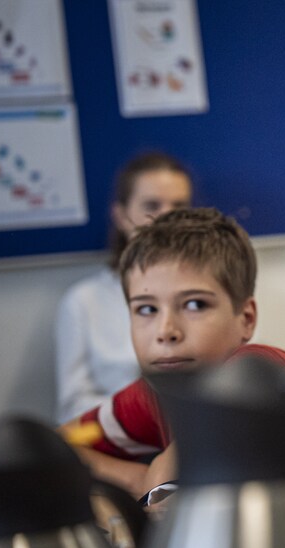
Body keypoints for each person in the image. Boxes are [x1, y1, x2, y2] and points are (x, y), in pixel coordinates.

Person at [59, 208, 285, 500]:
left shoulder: (261, 370)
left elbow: (170, 475)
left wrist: (155, 476)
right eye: (147, 309)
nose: (166, 331)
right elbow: (60, 443)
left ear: (247, 318)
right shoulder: (151, 395)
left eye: (194, 305)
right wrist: (135, 479)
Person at [55, 152, 194, 423]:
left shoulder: (216, 293)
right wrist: (139, 414)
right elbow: (71, 409)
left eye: (179, 206)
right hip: (121, 440)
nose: (167, 219)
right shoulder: (83, 301)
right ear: (121, 216)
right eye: (152, 205)